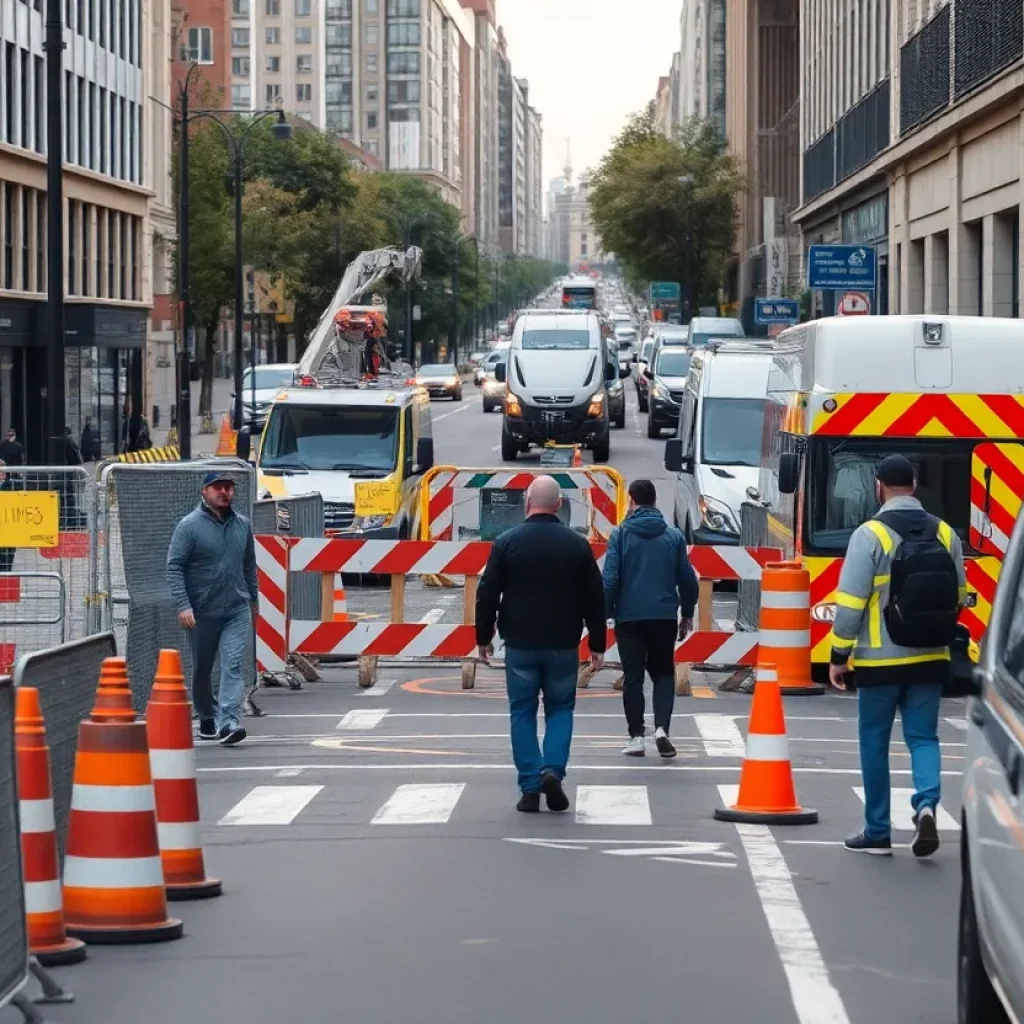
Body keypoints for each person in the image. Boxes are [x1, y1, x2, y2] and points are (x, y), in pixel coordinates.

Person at [829, 454, 966, 858]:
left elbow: (850, 604)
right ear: (915, 484)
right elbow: (958, 597)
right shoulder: (945, 534)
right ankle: (926, 805)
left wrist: (839, 655)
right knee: (923, 737)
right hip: (930, 657)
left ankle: (877, 831)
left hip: (879, 661)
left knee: (874, 742)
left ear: (879, 485)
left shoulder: (870, 534)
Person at [476, 476, 606, 813]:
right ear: (559, 505)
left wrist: (483, 636)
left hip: (520, 641)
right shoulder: (577, 545)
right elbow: (594, 597)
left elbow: (487, 592)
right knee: (560, 708)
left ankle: (530, 786)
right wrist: (597, 641)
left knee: (522, 710)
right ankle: (553, 770)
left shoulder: (506, 543)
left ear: (526, 502)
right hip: (563, 641)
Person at [603, 479, 699, 758]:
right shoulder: (673, 536)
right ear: (655, 501)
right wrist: (688, 613)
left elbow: (610, 579)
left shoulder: (620, 535)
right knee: (663, 673)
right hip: (663, 616)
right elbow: (688, 581)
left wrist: (607, 613)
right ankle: (662, 730)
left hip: (629, 617)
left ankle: (636, 737)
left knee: (633, 676)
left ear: (631, 501)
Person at [166, 471, 258, 746]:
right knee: (202, 669)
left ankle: (228, 722)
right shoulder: (189, 527)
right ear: (203, 492)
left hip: (235, 609)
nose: (224, 492)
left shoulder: (242, 525)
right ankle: (207, 715)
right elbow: (174, 567)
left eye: (229, 487)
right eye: (217, 487)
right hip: (201, 612)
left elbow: (249, 565)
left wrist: (253, 600)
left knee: (232, 664)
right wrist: (183, 605)